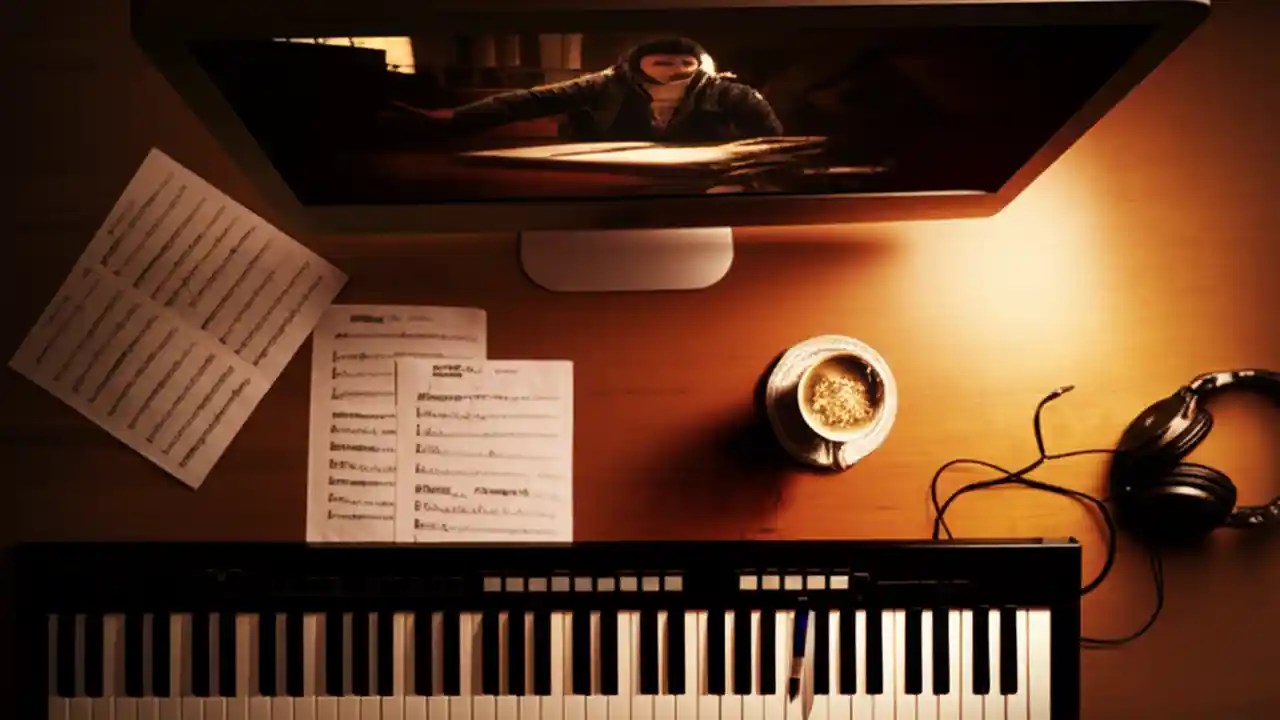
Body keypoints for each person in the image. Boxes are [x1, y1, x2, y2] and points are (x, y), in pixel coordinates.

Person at [419, 36, 784, 142]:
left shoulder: (729, 92)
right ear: (638, 64)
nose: (676, 71)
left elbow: (772, 139)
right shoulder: (605, 84)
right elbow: (530, 102)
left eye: (685, 64)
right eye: (662, 63)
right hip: (606, 175)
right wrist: (458, 118)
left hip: (696, 182)